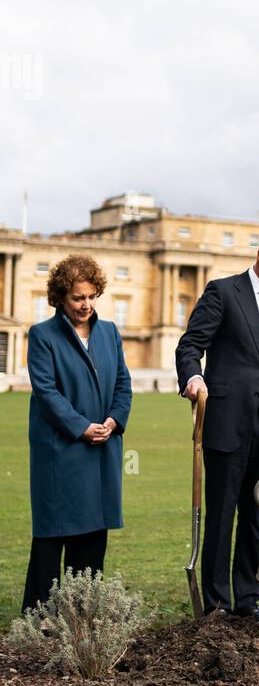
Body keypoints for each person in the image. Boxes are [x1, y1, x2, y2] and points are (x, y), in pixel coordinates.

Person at [176, 231, 259, 627]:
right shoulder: (223, 293)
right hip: (225, 423)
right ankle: (216, 603)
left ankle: (248, 600)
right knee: (222, 514)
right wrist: (193, 378)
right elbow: (190, 346)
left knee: (255, 516)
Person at [22, 254, 132, 611]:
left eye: (91, 296)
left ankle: (83, 615)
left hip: (102, 448)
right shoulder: (42, 335)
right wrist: (81, 427)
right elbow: (46, 392)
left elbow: (123, 385)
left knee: (92, 535)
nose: (86, 305)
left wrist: (114, 420)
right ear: (60, 298)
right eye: (77, 298)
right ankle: (40, 618)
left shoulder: (110, 332)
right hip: (61, 450)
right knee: (52, 537)